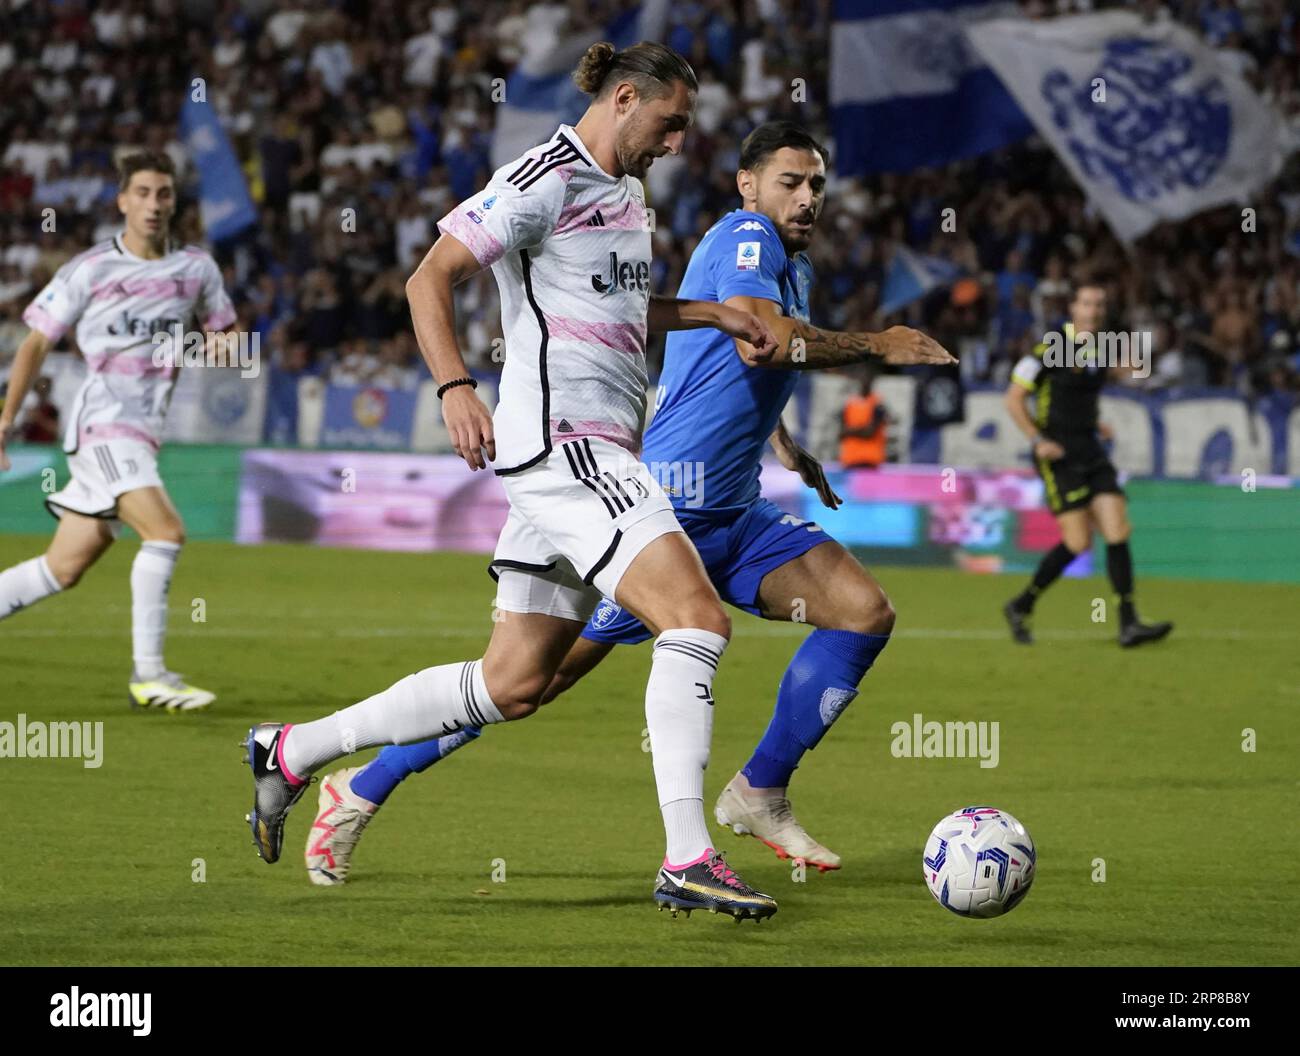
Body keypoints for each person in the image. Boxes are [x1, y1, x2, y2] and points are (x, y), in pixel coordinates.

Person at [302, 121, 954, 889]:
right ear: (748, 185)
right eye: (790, 181)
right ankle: (357, 787)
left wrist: (780, 439)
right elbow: (768, 342)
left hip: (734, 510)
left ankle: (759, 790)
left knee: (861, 610)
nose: (807, 197)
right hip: (667, 508)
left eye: (816, 184)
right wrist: (881, 344)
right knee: (528, 683)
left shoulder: (790, 263)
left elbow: (734, 356)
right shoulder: (748, 234)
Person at [244, 42, 789, 921]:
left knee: (514, 685)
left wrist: (712, 312)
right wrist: (456, 388)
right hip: (569, 450)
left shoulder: (626, 194)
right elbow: (431, 276)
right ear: (623, 97)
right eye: (672, 120)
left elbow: (614, 307)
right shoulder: (545, 176)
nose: (680, 140)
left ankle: (292, 750)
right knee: (696, 619)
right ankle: (688, 854)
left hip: (588, 454)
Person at [0, 151, 235, 709]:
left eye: (164, 194)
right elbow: (36, 342)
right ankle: (149, 676)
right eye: (144, 193)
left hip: (144, 429)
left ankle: (149, 676)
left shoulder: (197, 268)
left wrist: (224, 347)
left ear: (174, 202)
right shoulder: (90, 269)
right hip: (104, 423)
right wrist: (7, 417)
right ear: (122, 201)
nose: (155, 204)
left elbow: (225, 332)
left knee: (64, 567)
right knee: (165, 532)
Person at [1002, 277, 1173, 648]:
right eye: (1087, 304)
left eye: (1099, 304)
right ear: (1073, 309)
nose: (1094, 311)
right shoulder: (1048, 347)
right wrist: (1038, 440)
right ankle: (1021, 604)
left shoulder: (1101, 348)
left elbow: (1074, 396)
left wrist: (1094, 423)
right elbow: (1014, 398)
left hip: (1091, 451)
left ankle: (1129, 623)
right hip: (1058, 454)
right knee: (1077, 542)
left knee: (1117, 530)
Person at [839, 368, 887, 468]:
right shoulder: (849, 404)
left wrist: (850, 431)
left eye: (866, 376)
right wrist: (861, 429)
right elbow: (841, 432)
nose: (863, 379)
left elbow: (870, 432)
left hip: (870, 461)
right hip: (849, 460)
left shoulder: (878, 405)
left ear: (872, 380)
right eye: (861, 376)